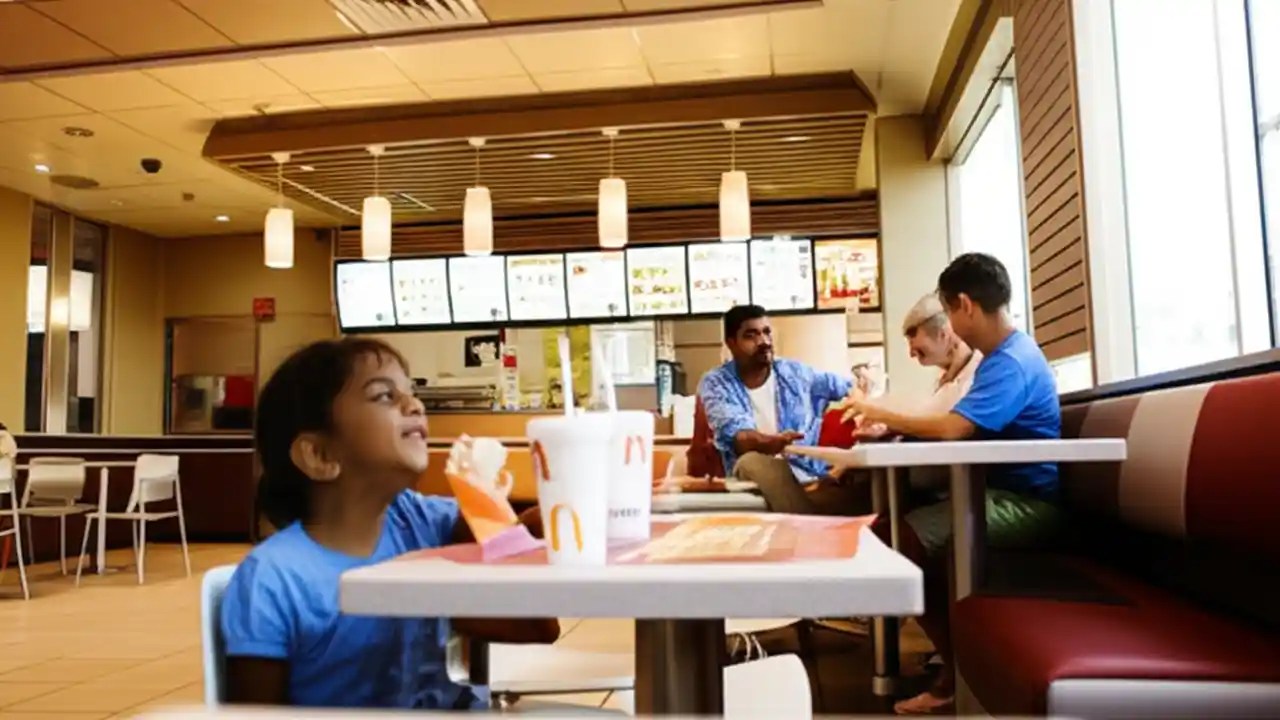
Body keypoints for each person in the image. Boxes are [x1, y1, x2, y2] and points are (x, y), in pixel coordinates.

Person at [221, 338, 558, 708]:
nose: (414, 404)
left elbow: (535, 621)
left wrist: (559, 503)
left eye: (411, 392)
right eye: (383, 395)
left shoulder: (422, 523)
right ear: (319, 454)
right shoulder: (273, 579)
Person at [843, 253, 1062, 715]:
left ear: (963, 304)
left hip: (1024, 505)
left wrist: (880, 412)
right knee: (893, 535)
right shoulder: (1001, 359)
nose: (953, 330)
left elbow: (954, 429)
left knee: (891, 541)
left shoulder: (1012, 361)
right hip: (992, 494)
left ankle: (955, 675)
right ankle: (957, 665)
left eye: (950, 313)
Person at [699, 304, 862, 515]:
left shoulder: (795, 373)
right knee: (751, 461)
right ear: (732, 343)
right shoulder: (717, 383)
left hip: (810, 478)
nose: (764, 342)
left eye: (766, 332)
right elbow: (740, 438)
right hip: (754, 482)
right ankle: (807, 523)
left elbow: (851, 387)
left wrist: (861, 403)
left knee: (870, 479)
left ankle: (808, 516)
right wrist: (773, 443)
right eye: (751, 335)